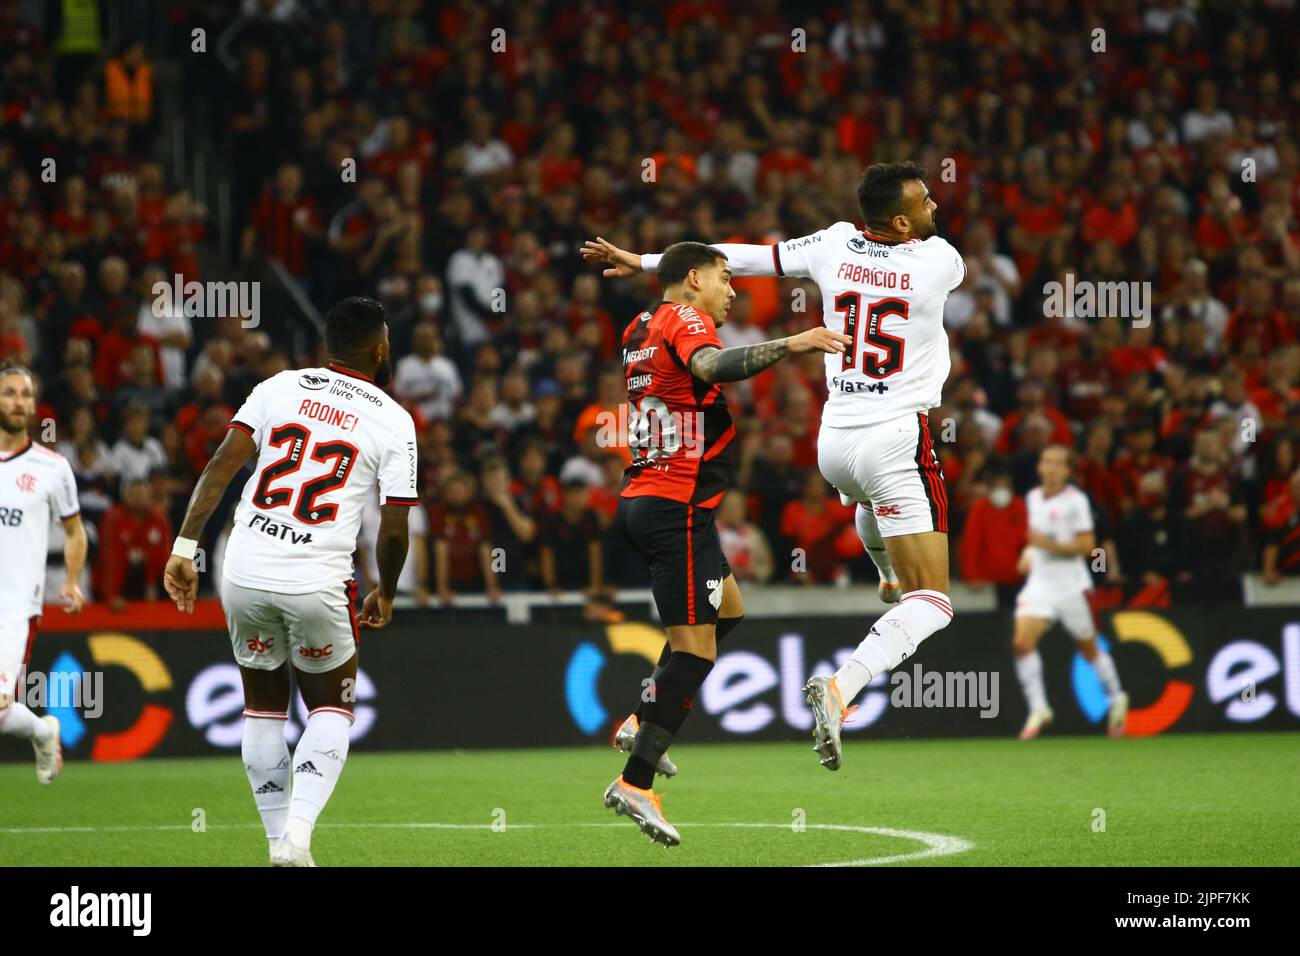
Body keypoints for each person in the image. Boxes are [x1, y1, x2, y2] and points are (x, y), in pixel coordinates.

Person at [585, 161, 964, 771]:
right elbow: (916, 265)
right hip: (897, 433)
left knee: (872, 506)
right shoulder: (941, 258)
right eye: (925, 202)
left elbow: (753, 256)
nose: (935, 209)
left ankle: (885, 573)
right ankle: (842, 688)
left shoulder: (834, 244)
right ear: (901, 220)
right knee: (935, 603)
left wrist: (650, 260)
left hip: (835, 440)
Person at [599, 241, 849, 845]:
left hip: (659, 500)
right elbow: (709, 367)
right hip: (674, 506)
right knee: (695, 654)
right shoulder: (686, 318)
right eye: (725, 277)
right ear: (693, 279)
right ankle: (634, 783)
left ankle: (642, 718)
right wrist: (794, 343)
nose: (733, 290)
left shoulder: (638, 324)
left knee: (730, 611)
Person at [163, 297, 418, 866]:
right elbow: (395, 524)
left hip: (244, 567)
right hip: (316, 578)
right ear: (380, 349)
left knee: (262, 709)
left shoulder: (279, 386)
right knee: (330, 709)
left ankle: (278, 843)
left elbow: (221, 467)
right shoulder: (394, 419)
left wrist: (185, 546)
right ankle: (297, 839)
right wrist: (388, 590)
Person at [0, 364, 86, 784]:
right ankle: (43, 729)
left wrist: (71, 580)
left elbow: (74, 531)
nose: (18, 402)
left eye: (25, 395)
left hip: (15, 606)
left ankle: (43, 731)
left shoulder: (52, 468)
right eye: (10, 393)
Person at [1012, 445, 1128, 739]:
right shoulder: (1033, 498)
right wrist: (1028, 554)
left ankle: (1116, 697)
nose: (1050, 467)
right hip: (1040, 584)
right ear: (1039, 467)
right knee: (1022, 643)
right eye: (1045, 461)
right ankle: (1039, 708)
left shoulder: (1076, 502)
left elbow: (1088, 546)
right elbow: (1034, 537)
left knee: (1088, 650)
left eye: (1056, 463)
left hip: (1071, 586)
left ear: (1067, 471)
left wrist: (1044, 545)